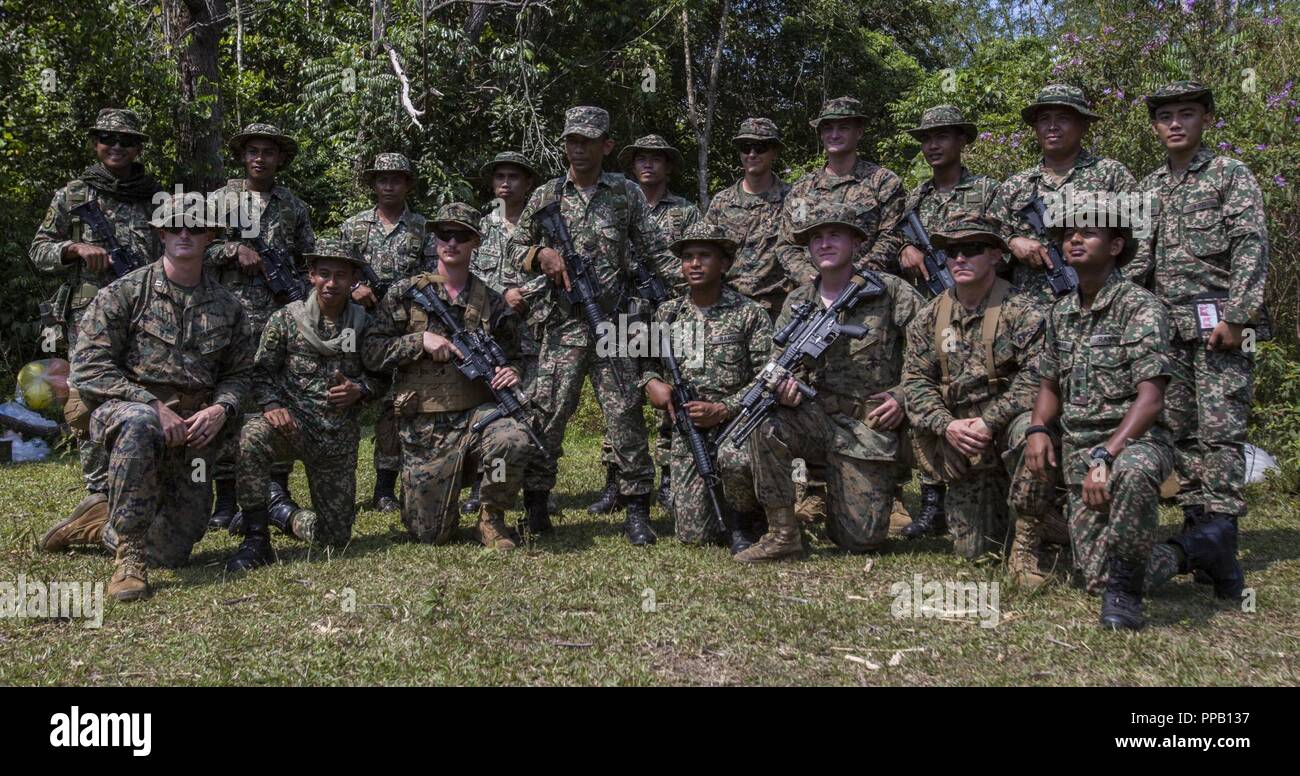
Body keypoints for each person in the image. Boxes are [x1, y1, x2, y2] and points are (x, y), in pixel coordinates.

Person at [1024, 205, 1243, 629]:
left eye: (1087, 233)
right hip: (1080, 452)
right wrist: (1037, 428)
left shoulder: (1141, 308)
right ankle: (1198, 548)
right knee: (1094, 577)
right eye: (1069, 234)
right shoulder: (1059, 313)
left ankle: (1125, 596)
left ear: (1116, 246)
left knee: (1134, 472)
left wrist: (1107, 455)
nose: (1074, 240)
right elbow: (1049, 386)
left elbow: (1151, 399)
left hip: (1137, 443)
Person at [63, 194, 254, 601]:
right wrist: (151, 405)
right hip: (126, 414)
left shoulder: (229, 307)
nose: (185, 233)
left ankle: (100, 524)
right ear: (161, 234)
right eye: (175, 227)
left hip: (194, 432)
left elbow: (239, 375)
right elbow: (89, 368)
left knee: (172, 551)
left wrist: (222, 409)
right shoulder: (126, 293)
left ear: (210, 237)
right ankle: (128, 557)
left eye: (196, 228)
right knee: (140, 422)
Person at [507, 106, 678, 544]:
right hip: (562, 324)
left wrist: (698, 285)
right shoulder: (545, 195)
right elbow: (513, 250)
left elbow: (657, 252)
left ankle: (637, 506)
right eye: (571, 141)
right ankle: (537, 504)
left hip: (615, 322)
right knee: (548, 414)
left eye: (587, 141)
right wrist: (538, 257)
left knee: (625, 415)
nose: (578, 149)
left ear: (606, 145)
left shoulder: (625, 193)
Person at [720, 203, 923, 562]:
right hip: (813, 418)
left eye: (834, 235)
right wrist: (787, 391)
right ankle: (783, 534)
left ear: (856, 242)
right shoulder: (799, 300)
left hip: (867, 426)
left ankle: (846, 496)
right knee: (765, 425)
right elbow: (779, 362)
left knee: (861, 541)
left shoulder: (890, 291)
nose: (824, 244)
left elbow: (931, 350)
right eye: (815, 238)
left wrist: (904, 394)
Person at [1126, 81, 1269, 577]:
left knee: (1221, 431)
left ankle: (1223, 536)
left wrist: (1238, 315)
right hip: (1169, 329)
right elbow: (1138, 260)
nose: (1175, 123)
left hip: (1220, 328)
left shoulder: (1230, 174)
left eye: (1186, 114)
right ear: (1154, 126)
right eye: (1165, 116)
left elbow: (1251, 245)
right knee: (1180, 431)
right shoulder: (1147, 188)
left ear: (1206, 119)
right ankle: (1196, 528)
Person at [363, 204, 534, 550]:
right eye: (445, 234)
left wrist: (511, 371)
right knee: (430, 535)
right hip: (424, 426)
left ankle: (491, 516)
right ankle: (440, 494)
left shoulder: (491, 301)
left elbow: (521, 354)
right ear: (434, 239)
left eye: (462, 236)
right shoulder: (406, 293)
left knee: (512, 439)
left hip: (476, 418)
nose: (452, 242)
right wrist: (418, 341)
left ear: (476, 243)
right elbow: (370, 352)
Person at [33, 108, 162, 553]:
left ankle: (132, 490)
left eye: (126, 140)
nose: (116, 147)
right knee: (86, 402)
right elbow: (39, 250)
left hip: (145, 317)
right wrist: (73, 247)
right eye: (108, 138)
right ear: (96, 142)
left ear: (138, 148)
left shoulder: (155, 198)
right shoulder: (72, 195)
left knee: (140, 397)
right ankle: (97, 495)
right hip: (88, 316)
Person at [901, 218, 1059, 580]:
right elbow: (914, 382)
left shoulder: (1024, 311)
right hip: (963, 443)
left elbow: (1038, 379)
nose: (959, 258)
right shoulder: (929, 318)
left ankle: (1026, 548)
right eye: (950, 252)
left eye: (971, 249)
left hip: (1004, 431)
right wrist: (948, 426)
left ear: (995, 256)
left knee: (1029, 430)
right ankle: (1040, 516)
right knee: (975, 550)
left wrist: (990, 421)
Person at [226, 239, 383, 571]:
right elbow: (261, 372)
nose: (331, 283)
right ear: (311, 275)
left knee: (335, 539)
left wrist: (361, 390)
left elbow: (383, 376)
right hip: (293, 425)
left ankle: (287, 516)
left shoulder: (366, 324)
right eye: (323, 274)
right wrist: (271, 405)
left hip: (337, 438)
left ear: (354, 278)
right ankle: (256, 539)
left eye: (341, 275)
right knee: (252, 435)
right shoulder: (285, 320)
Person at [895, 104, 1003, 539]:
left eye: (942, 136)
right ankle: (932, 500)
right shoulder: (915, 199)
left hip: (981, 314)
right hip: (931, 316)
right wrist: (906, 249)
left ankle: (989, 488)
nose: (932, 145)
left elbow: (1001, 249)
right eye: (925, 139)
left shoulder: (988, 191)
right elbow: (898, 241)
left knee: (977, 392)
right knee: (931, 392)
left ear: (963, 140)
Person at [205, 123, 316, 530]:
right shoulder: (220, 201)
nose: (260, 158)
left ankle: (277, 489)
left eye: (268, 152)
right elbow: (194, 250)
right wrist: (234, 249)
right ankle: (226, 498)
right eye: (253, 151)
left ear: (280, 159)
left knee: (277, 400)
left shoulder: (294, 206)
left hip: (278, 317)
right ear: (242, 156)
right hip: (228, 318)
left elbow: (309, 261)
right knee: (227, 402)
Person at [642, 223, 772, 551]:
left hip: (738, 424)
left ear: (724, 264)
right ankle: (724, 511)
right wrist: (652, 383)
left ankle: (746, 519)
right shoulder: (667, 314)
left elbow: (767, 378)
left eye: (704, 256)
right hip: (690, 429)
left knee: (736, 462)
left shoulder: (749, 313)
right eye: (688, 257)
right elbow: (646, 364)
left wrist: (724, 409)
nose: (695, 264)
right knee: (693, 536)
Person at [590, 133, 700, 513]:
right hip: (623, 310)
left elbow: (690, 262)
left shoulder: (685, 212)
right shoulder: (616, 204)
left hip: (670, 308)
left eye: (656, 158)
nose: (648, 164)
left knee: (675, 386)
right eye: (641, 159)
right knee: (620, 395)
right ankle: (617, 481)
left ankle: (670, 479)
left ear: (668, 166)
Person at [339, 152, 431, 513]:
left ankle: (385, 488)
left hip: (402, 327)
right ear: (373, 184)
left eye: (396, 178)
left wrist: (406, 293)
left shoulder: (423, 228)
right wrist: (354, 289)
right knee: (347, 395)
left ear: (408, 184)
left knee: (395, 404)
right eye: (382, 179)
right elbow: (333, 270)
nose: (388, 185)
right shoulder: (354, 226)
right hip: (356, 326)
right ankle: (338, 481)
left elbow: (432, 277)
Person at [990, 84, 1137, 308]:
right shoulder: (1014, 186)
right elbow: (985, 251)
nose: (1052, 126)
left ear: (1083, 125)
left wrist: (1117, 300)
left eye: (1063, 118)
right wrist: (1011, 243)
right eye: (1044, 119)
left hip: (1102, 310)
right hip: (1029, 315)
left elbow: (1141, 243)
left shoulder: (1112, 174)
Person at [461, 151, 542, 517]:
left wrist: (525, 293)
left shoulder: (542, 224)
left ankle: (537, 490)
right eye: (499, 177)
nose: (505, 183)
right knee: (492, 406)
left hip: (538, 327)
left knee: (537, 406)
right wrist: (500, 298)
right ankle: (483, 486)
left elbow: (556, 268)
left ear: (527, 184)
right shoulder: (480, 228)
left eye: (514, 176)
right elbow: (471, 274)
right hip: (493, 334)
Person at [704, 117, 799, 318]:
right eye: (746, 148)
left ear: (774, 151)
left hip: (777, 310)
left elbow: (805, 250)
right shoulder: (722, 202)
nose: (752, 154)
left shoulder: (795, 200)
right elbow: (707, 252)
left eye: (760, 147)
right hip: (727, 308)